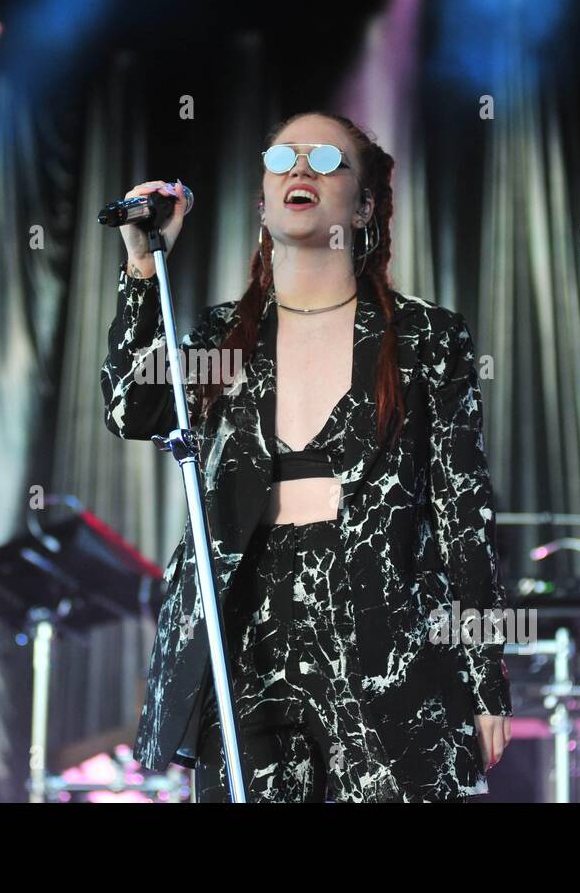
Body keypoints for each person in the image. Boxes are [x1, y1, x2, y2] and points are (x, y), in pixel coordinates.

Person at [101, 110, 512, 802]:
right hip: (248, 634)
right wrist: (144, 265)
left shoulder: (426, 338)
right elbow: (129, 409)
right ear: (261, 199)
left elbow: (465, 520)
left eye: (326, 160)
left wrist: (485, 678)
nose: (300, 169)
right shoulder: (220, 337)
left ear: (368, 201)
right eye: (283, 158)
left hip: (389, 638)